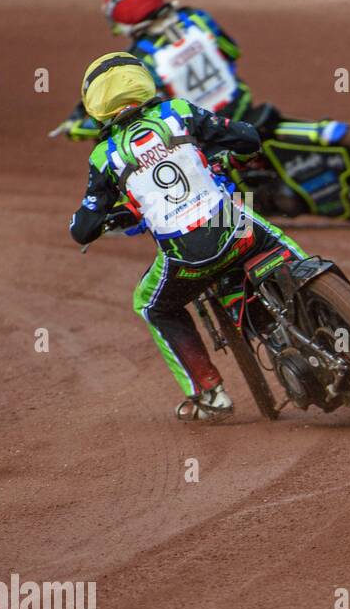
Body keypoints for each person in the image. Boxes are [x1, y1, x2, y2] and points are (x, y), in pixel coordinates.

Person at [68, 52, 307, 421]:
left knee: (150, 304)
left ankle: (209, 394)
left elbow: (82, 228)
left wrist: (93, 222)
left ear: (95, 104)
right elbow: (245, 136)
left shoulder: (105, 154)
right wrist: (236, 149)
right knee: (264, 228)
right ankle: (324, 289)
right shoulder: (176, 110)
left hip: (187, 256)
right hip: (231, 222)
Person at [58, 0, 255, 142]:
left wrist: (77, 129)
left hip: (204, 133)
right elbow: (233, 51)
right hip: (243, 105)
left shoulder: (140, 57)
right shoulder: (195, 17)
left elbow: (136, 111)